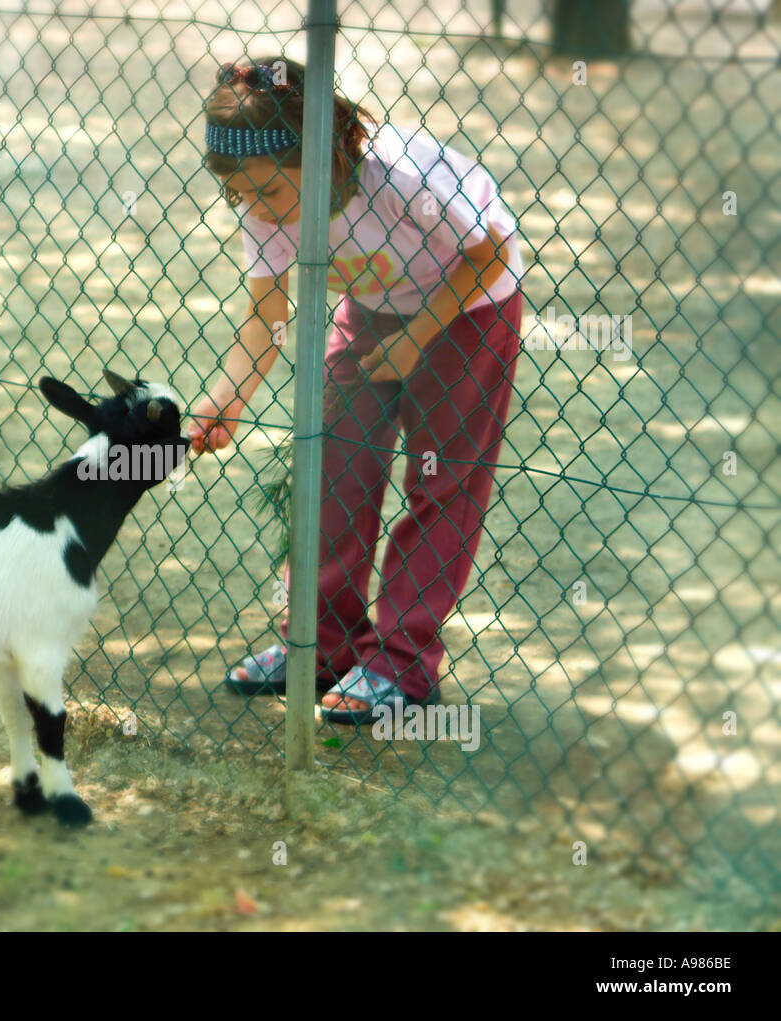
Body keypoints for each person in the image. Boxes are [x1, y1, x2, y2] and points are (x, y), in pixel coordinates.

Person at [190, 57, 524, 725]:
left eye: (268, 194)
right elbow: (266, 318)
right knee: (332, 466)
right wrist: (224, 398)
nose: (254, 210)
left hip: (469, 310)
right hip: (376, 307)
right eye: (238, 197)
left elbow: (488, 252)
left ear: (325, 158)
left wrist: (416, 338)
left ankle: (401, 661)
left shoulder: (402, 176)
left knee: (442, 482)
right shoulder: (266, 203)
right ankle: (320, 645)